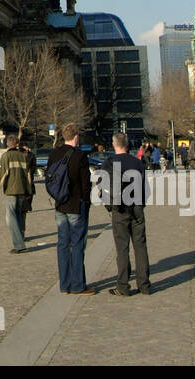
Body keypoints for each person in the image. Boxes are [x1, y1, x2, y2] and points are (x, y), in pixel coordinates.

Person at [47, 123, 95, 294]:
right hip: (76, 204)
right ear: (76, 137)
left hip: (60, 204)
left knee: (62, 244)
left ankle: (64, 284)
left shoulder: (54, 154)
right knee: (77, 244)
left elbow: (50, 179)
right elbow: (85, 183)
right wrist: (87, 202)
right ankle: (77, 284)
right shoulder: (80, 156)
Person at [103, 132, 151, 296]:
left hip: (120, 208)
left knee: (122, 248)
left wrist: (110, 206)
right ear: (127, 144)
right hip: (136, 206)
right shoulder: (137, 163)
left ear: (114, 144)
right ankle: (144, 284)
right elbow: (146, 188)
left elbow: (104, 188)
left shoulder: (110, 163)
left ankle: (123, 285)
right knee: (140, 246)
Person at [0, 134, 35, 253]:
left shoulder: (6, 156)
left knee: (11, 218)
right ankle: (21, 237)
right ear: (17, 144)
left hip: (11, 191)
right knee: (18, 216)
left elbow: (0, 174)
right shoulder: (22, 156)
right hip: (22, 191)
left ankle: (19, 244)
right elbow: (28, 176)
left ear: (7, 144)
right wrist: (28, 191)